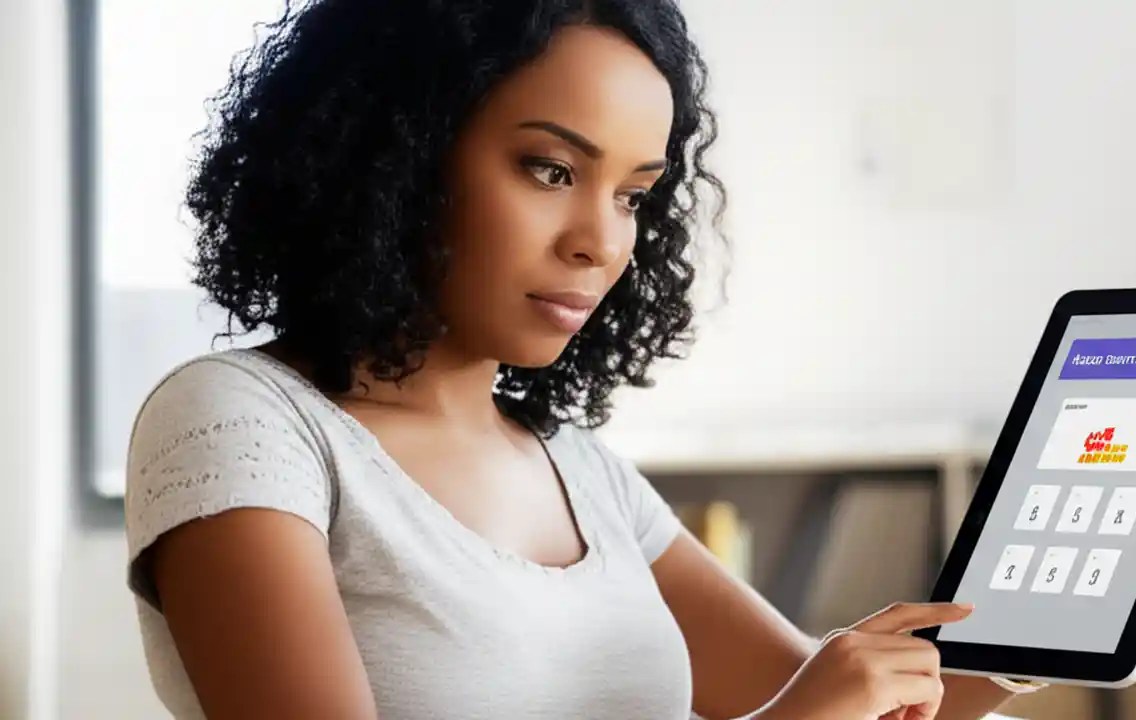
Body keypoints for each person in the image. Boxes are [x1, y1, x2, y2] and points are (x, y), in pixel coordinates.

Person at [123, 1, 1040, 718]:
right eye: (551, 170)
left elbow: (842, 697)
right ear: (394, 157)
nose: (601, 243)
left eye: (635, 196)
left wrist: (1053, 620)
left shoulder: (573, 466)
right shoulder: (240, 422)